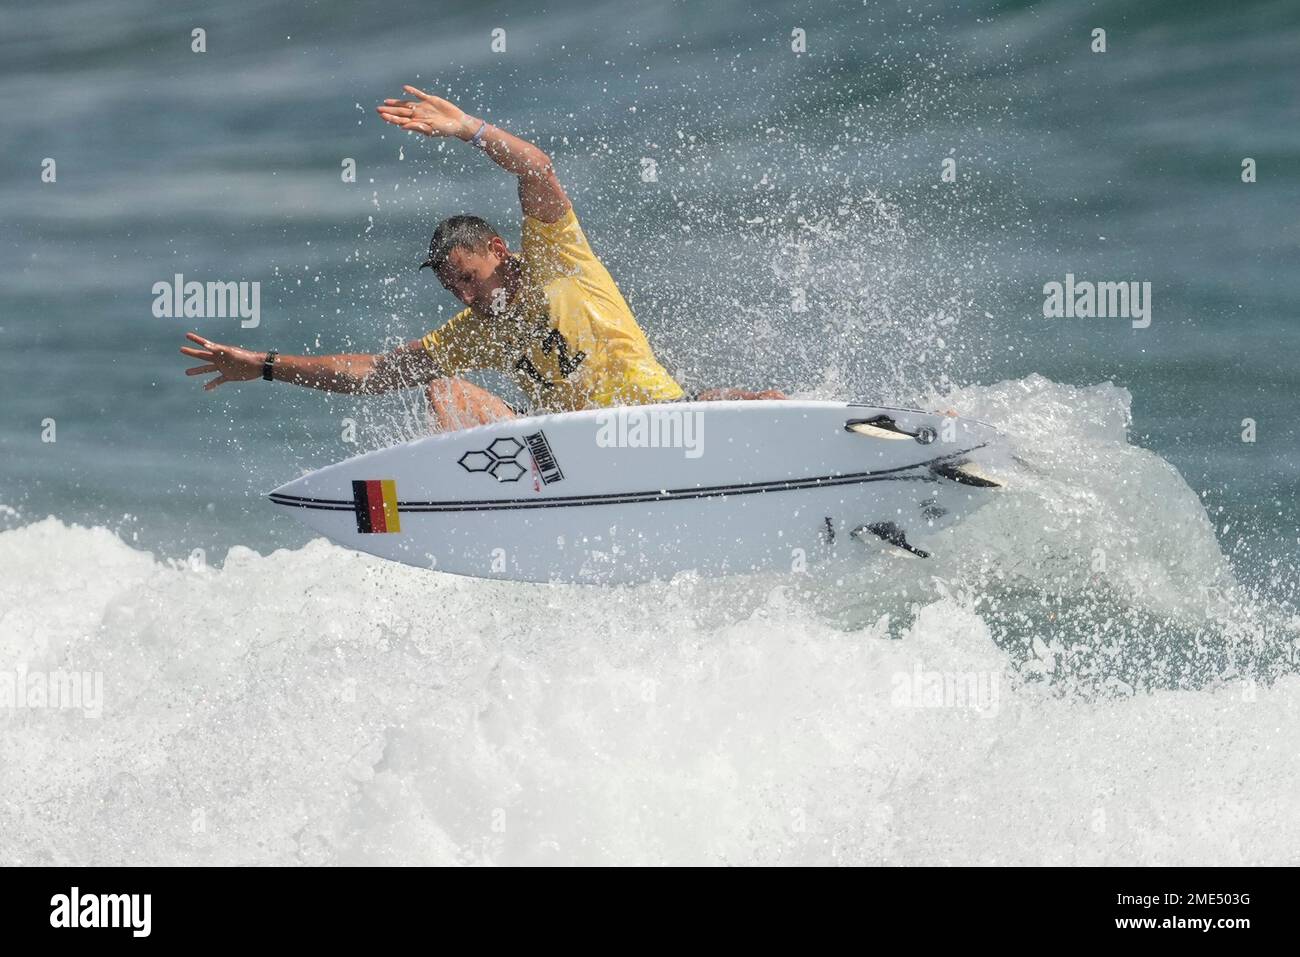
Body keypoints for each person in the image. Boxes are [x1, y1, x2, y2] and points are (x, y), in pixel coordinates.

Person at [182, 86, 783, 430]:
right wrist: (261, 364)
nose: (468, 298)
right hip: (568, 453)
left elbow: (537, 167)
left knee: (736, 405)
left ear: (498, 250)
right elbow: (372, 373)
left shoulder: (558, 257)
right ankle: (481, 499)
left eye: (469, 280)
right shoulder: (474, 334)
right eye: (455, 291)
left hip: (655, 421)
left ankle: (825, 437)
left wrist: (469, 129)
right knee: (442, 387)